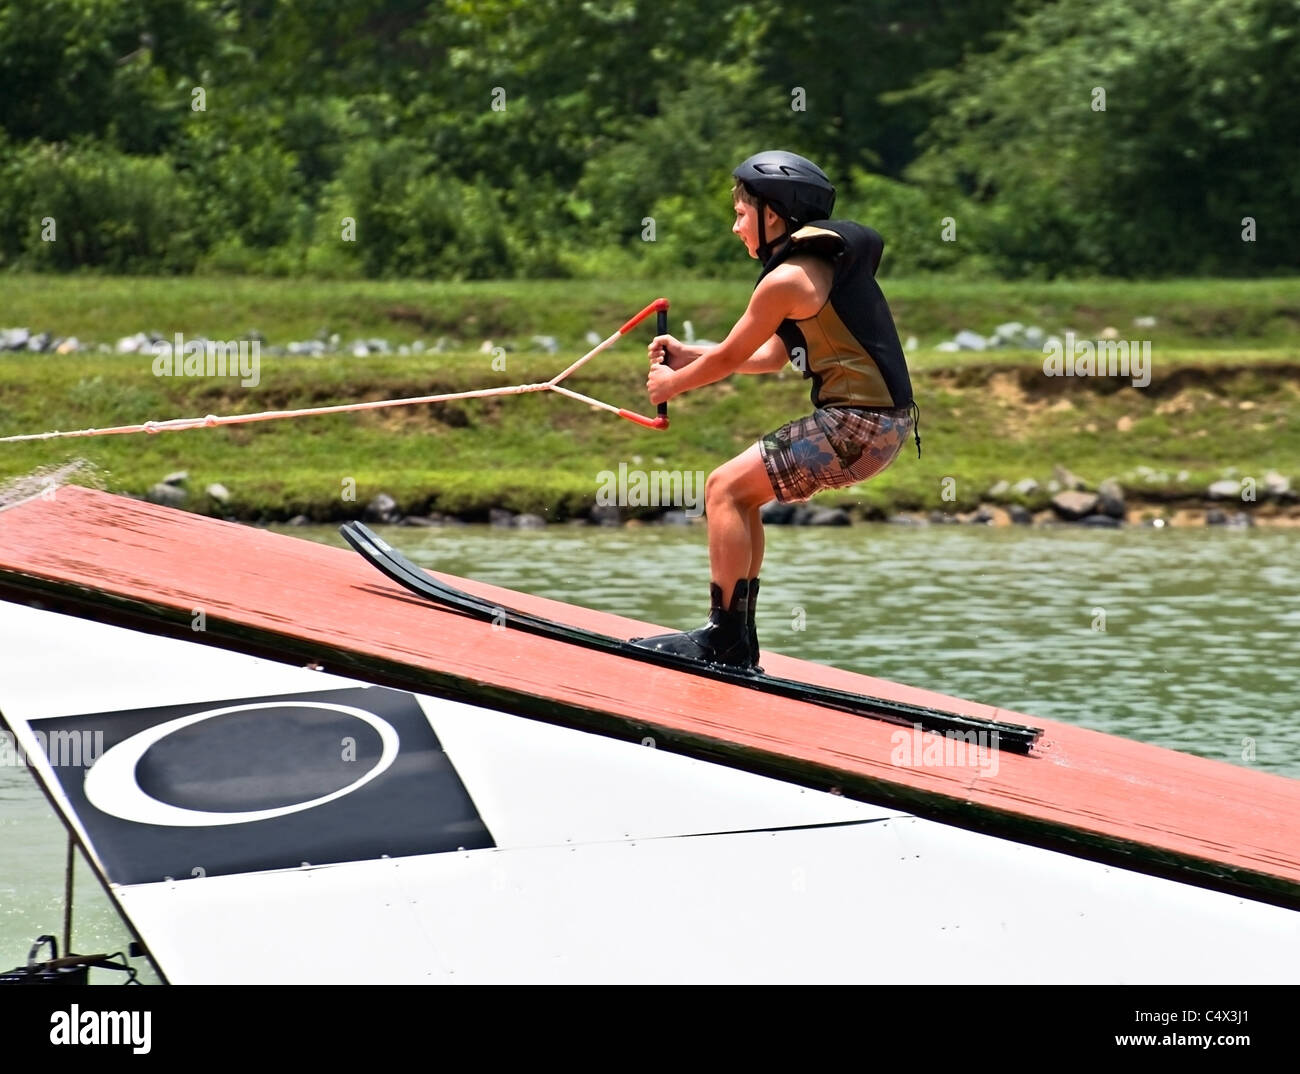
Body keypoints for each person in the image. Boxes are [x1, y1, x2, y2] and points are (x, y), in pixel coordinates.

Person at [631, 150, 920, 671]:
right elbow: (767, 355)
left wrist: (673, 381)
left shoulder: (785, 279)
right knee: (739, 496)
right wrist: (691, 353)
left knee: (722, 489)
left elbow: (731, 359)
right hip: (880, 427)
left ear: (774, 215)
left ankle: (725, 639)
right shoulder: (812, 269)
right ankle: (735, 639)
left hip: (854, 425)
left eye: (742, 213)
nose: (734, 224)